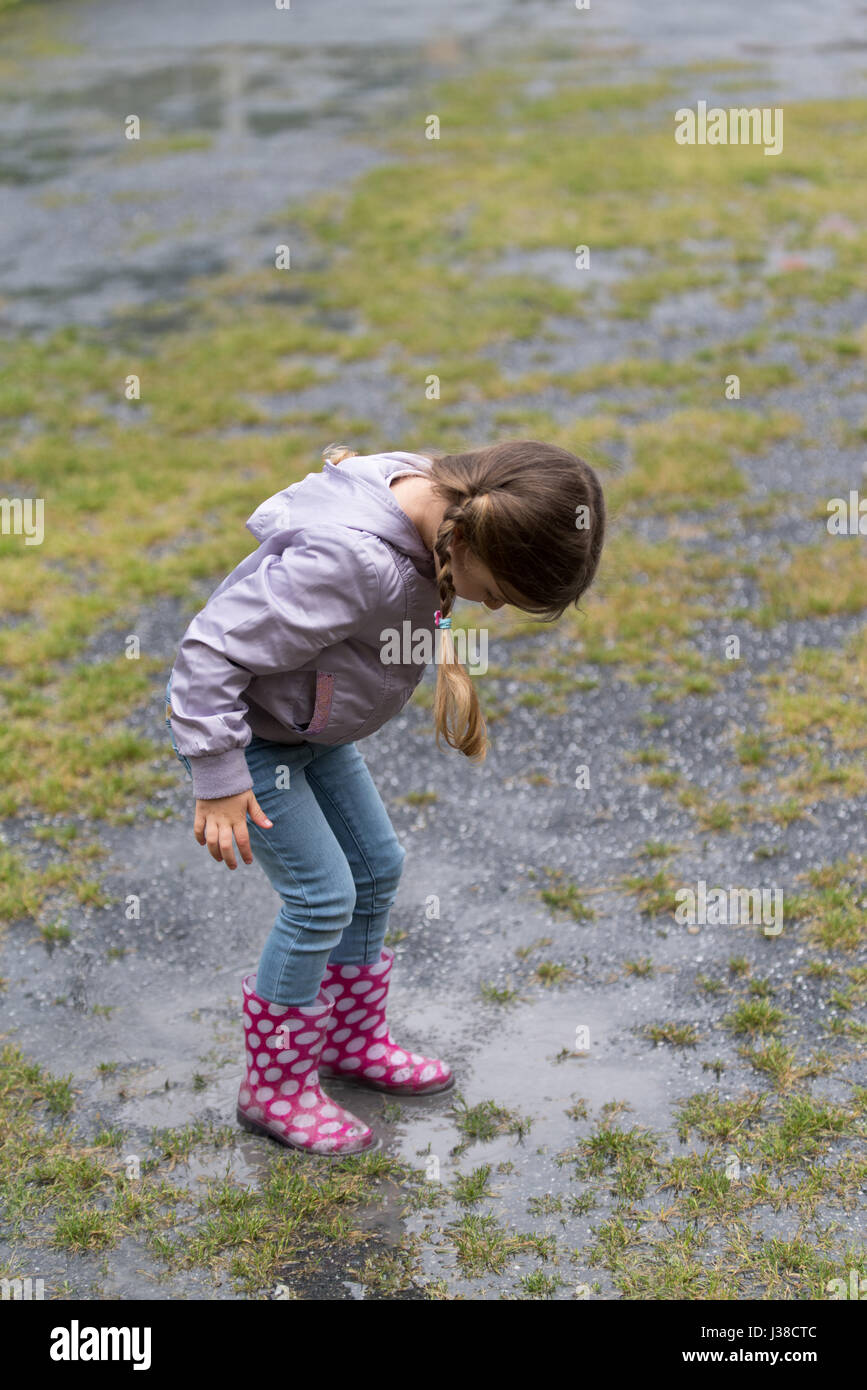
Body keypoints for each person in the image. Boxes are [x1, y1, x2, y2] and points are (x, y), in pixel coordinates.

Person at [164, 440, 606, 1155]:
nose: (486, 604)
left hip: (310, 727)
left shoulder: (438, 493)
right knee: (320, 898)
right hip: (252, 736)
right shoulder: (350, 564)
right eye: (491, 593)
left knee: (375, 869)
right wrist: (219, 777)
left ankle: (349, 1042)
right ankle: (273, 1090)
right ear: (462, 538)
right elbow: (211, 652)